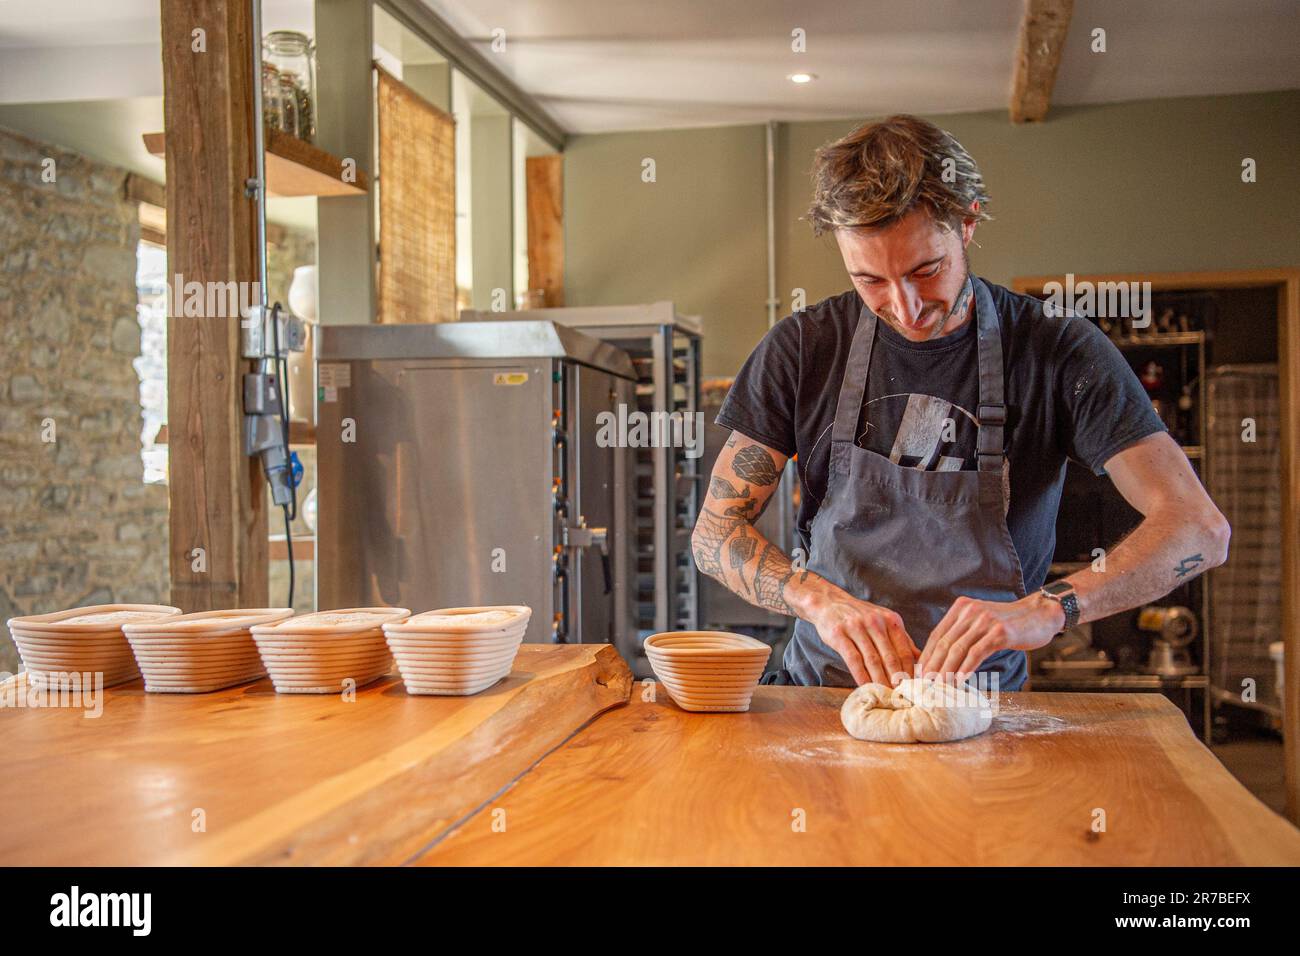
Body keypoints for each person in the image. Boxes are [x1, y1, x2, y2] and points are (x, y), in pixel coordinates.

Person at [691, 114, 1230, 691]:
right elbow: (714, 533)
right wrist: (816, 599)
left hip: (983, 710)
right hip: (820, 694)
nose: (904, 306)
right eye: (869, 280)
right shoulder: (802, 347)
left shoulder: (1057, 348)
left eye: (927, 270)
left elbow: (1197, 527)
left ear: (967, 223)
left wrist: (1051, 609)